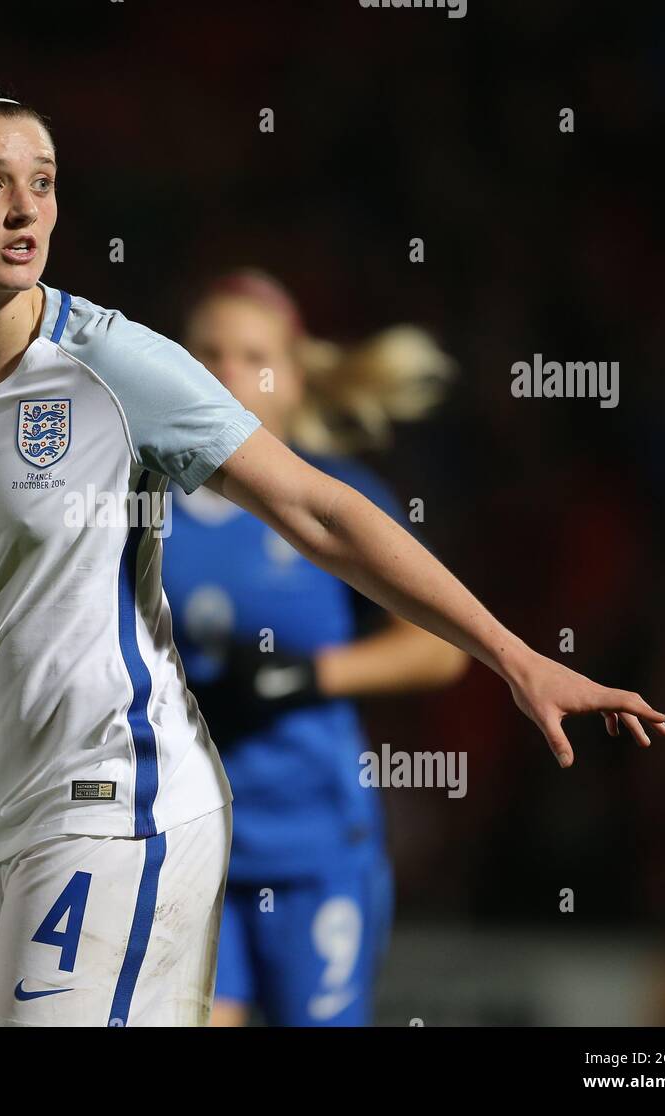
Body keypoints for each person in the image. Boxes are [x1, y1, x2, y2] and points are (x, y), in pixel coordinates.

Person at [0, 77, 665, 1028]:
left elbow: (317, 509)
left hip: (123, 804)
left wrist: (514, 656)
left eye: (43, 181)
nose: (26, 209)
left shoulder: (115, 364)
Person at [161, 268, 467, 1026]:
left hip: (315, 842)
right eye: (206, 351)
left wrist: (306, 676)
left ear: (294, 380)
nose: (227, 371)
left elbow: (438, 647)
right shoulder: (140, 502)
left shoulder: (337, 498)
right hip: (188, 845)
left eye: (252, 355)